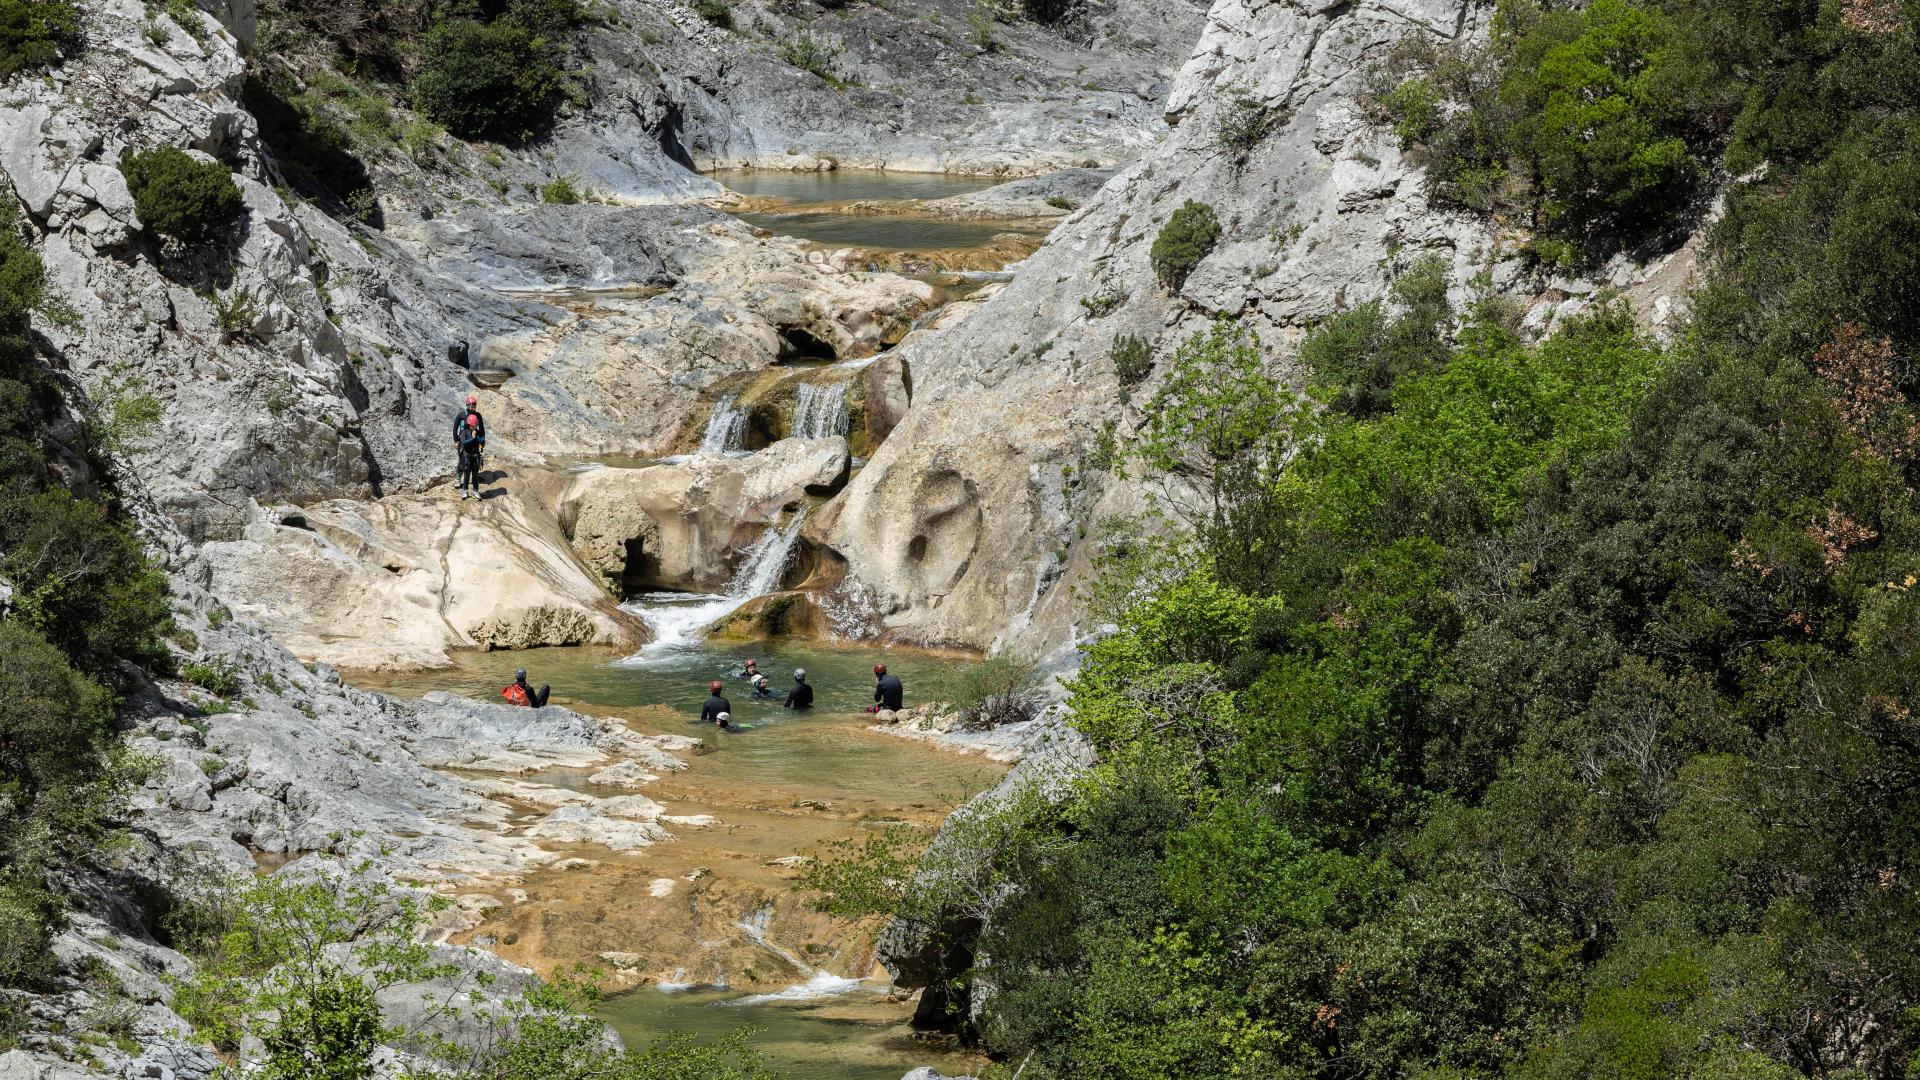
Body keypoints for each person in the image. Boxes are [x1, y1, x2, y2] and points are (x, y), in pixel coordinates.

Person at [457, 415, 485, 500]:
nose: (474, 427)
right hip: (467, 456)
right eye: (473, 425)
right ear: (469, 424)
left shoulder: (478, 432)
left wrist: (475, 437)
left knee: (475, 475)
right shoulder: (464, 432)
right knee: (466, 474)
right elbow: (464, 443)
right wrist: (473, 438)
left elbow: (483, 441)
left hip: (475, 456)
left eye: (475, 425)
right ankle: (465, 490)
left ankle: (475, 491)